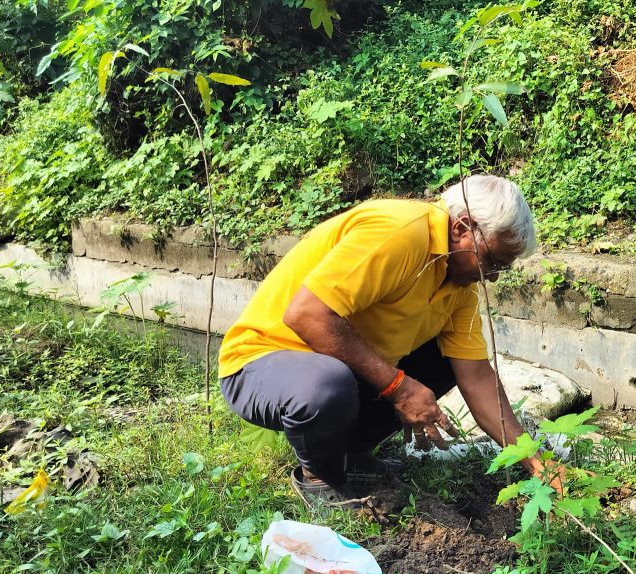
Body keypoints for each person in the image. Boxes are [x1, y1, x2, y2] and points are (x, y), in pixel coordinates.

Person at [218, 175, 562, 501]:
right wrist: (400, 387)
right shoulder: (400, 233)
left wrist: (536, 462)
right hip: (260, 364)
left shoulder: (457, 286)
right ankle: (320, 477)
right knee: (328, 384)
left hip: (330, 372)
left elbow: (477, 378)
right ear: (461, 229)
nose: (493, 277)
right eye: (492, 261)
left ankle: (349, 456)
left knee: (446, 362)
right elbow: (306, 315)